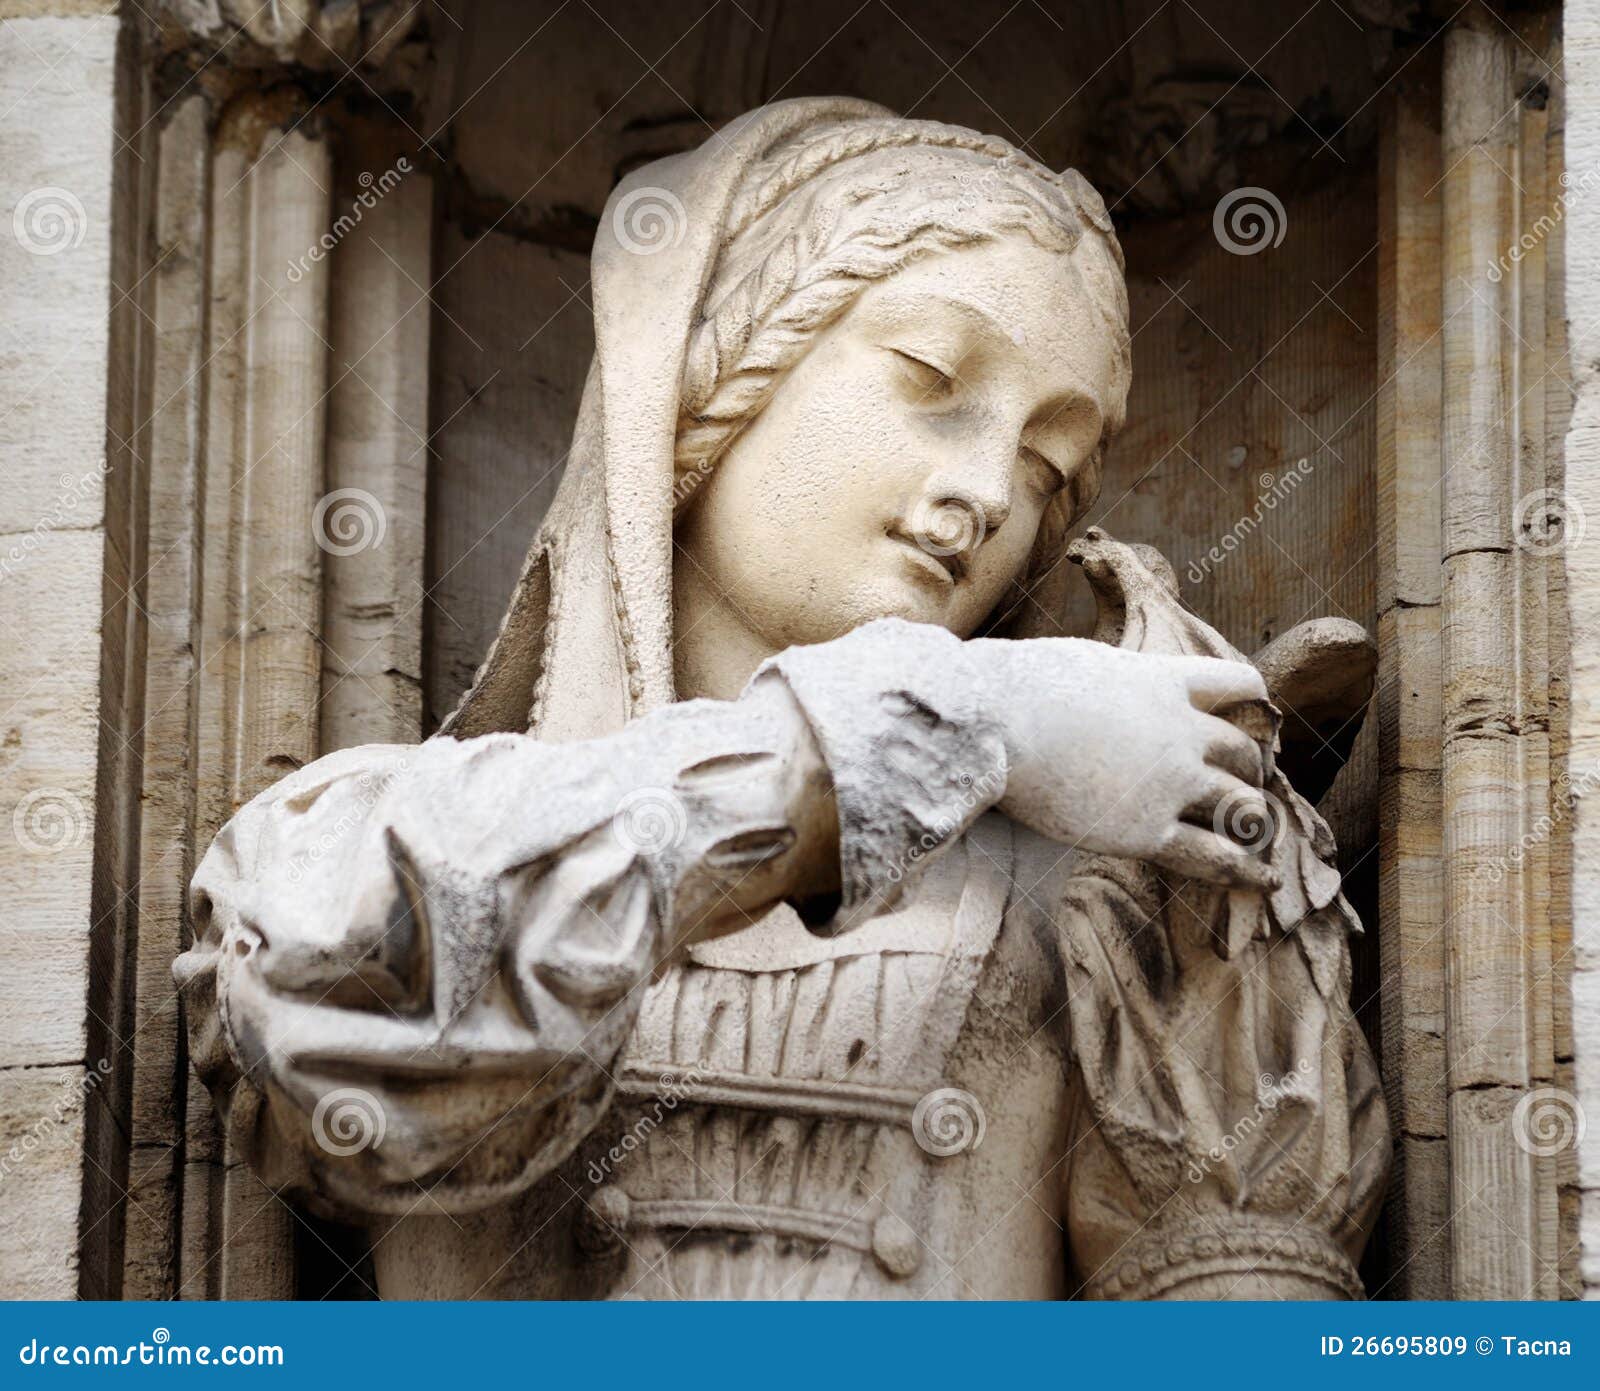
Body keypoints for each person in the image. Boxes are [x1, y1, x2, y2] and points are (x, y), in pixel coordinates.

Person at [176, 98, 1387, 1300]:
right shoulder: (368, 836)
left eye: (1045, 469)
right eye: (931, 374)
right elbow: (320, 1010)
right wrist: (967, 721)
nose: (981, 494)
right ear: (717, 361)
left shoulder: (1104, 879)